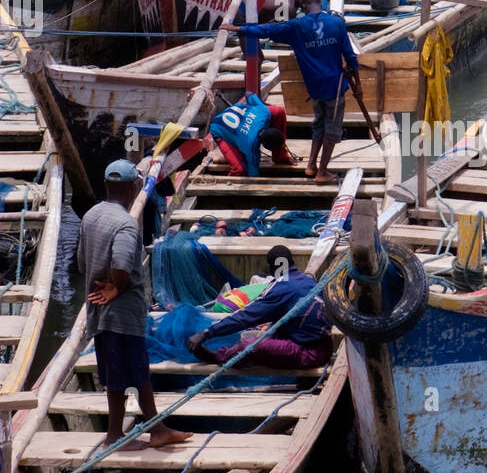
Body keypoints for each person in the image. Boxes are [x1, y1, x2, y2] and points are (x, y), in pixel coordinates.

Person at [77, 161, 192, 448]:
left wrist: (102, 279)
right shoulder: (126, 224)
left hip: (98, 311)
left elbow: (81, 261)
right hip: (121, 314)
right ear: (132, 187)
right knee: (127, 375)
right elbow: (122, 265)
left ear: (105, 185)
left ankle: (155, 429)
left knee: (129, 374)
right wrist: (116, 287)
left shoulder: (91, 216)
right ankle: (117, 436)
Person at [227, 0, 360, 184]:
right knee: (332, 130)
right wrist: (358, 83)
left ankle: (311, 166)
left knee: (318, 125)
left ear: (304, 6)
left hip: (315, 88)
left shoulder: (297, 27)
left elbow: (267, 30)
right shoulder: (336, 24)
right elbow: (350, 56)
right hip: (335, 86)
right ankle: (322, 172)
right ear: (319, 2)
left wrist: (238, 28)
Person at [187, 245, 333, 372]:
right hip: (324, 347)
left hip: (308, 353)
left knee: (251, 345)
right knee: (269, 332)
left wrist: (208, 333)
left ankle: (217, 357)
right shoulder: (308, 281)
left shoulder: (282, 287)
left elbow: (246, 317)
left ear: (272, 268)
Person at [209, 93, 298, 177]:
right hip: (218, 129)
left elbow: (249, 94)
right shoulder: (251, 148)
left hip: (235, 115)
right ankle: (226, 189)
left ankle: (280, 158)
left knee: (279, 111)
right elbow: (253, 175)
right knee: (239, 170)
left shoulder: (264, 112)